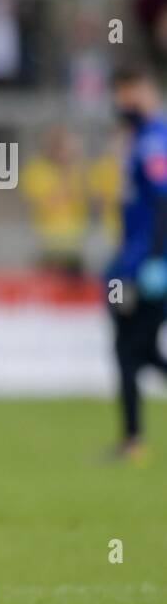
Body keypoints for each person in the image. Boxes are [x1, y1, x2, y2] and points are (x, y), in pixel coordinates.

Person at [104, 64, 167, 463]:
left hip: (147, 263)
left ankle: (132, 439)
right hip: (131, 262)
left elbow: (163, 202)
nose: (121, 101)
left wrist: (157, 260)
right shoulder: (139, 139)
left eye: (129, 91)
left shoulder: (153, 141)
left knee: (132, 348)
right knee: (131, 348)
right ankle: (131, 439)